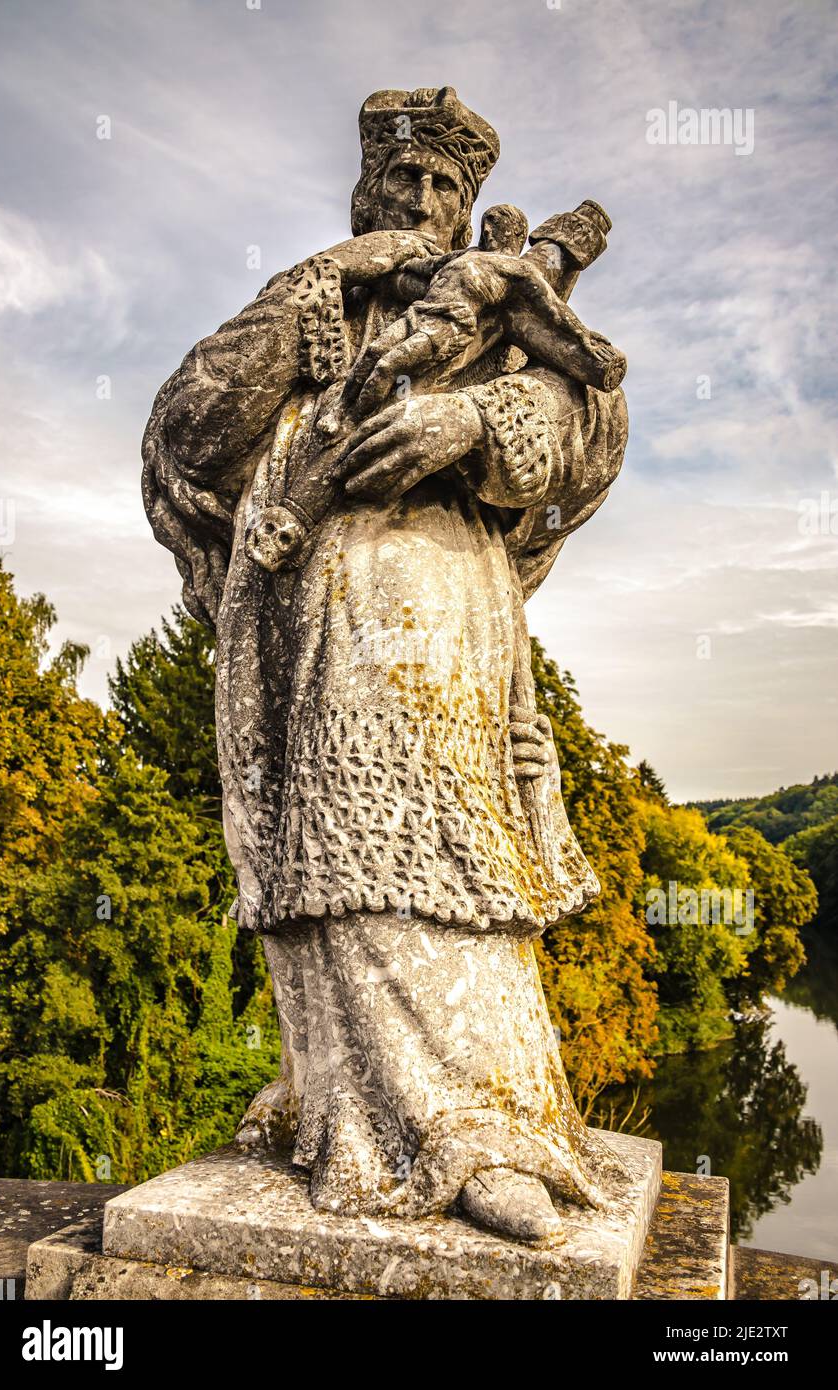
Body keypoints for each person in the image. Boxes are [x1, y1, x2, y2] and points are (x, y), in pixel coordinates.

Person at [142, 86, 630, 1245]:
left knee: (457, 856)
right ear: (365, 192)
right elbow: (188, 435)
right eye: (399, 182)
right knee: (333, 867)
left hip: (447, 620)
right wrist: (322, 277)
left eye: (440, 189)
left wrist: (468, 426)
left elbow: (588, 424)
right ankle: (361, 1112)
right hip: (307, 629)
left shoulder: (498, 313)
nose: (419, 201)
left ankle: (485, 1124)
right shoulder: (321, 299)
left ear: (467, 209)